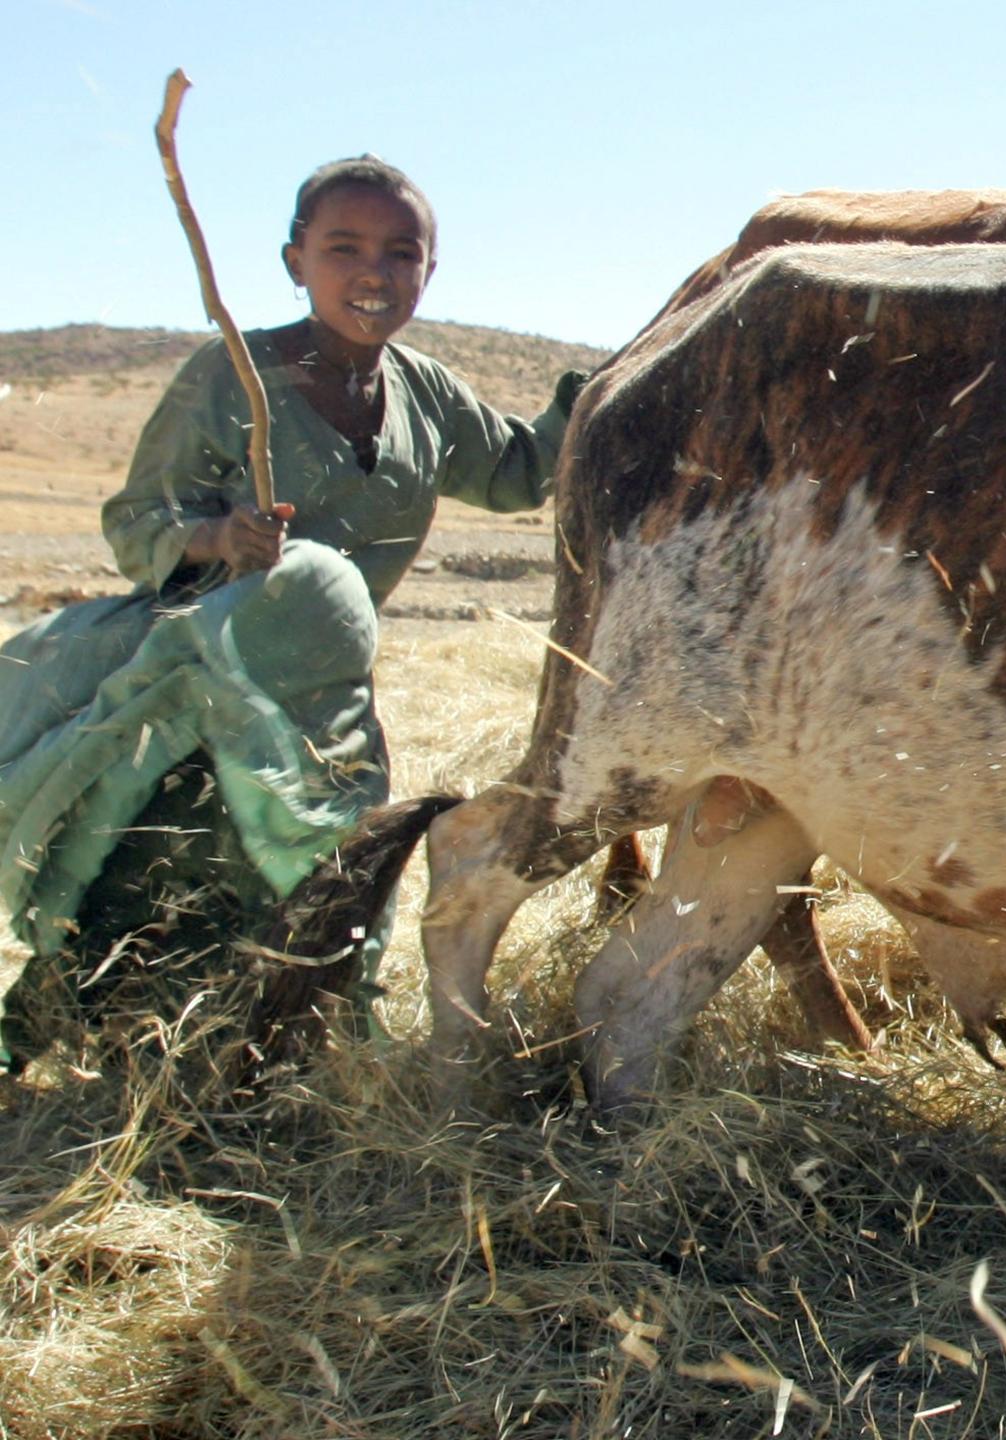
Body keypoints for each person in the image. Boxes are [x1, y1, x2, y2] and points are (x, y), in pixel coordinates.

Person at [0, 156, 586, 1067]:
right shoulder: (231, 377)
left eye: (401, 252)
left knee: (326, 895)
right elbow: (134, 523)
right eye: (343, 247)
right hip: (204, 691)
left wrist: (600, 393)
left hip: (324, 707)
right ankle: (115, 1070)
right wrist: (217, 537)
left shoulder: (426, 394)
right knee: (166, 886)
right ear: (294, 261)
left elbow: (516, 472)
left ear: (429, 270)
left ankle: (279, 1075)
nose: (373, 272)